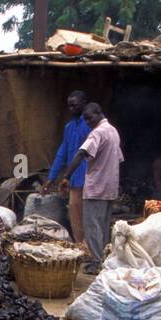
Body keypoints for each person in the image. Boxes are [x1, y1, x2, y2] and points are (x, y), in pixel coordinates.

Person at [60, 102, 123, 270]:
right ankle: (103, 258)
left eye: (90, 118)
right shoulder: (113, 132)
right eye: (86, 119)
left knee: (92, 226)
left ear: (98, 113)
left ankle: (96, 262)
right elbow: (118, 159)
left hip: (96, 187)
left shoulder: (98, 133)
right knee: (103, 225)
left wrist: (66, 176)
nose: (88, 122)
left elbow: (81, 153)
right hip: (110, 187)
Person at [46, 90, 90, 246]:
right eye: (69, 106)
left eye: (74, 105)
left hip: (90, 178)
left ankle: (93, 249)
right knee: (75, 212)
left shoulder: (91, 125)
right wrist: (51, 178)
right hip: (74, 179)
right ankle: (82, 247)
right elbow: (62, 152)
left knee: (90, 215)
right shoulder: (69, 127)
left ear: (84, 104)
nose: (71, 109)